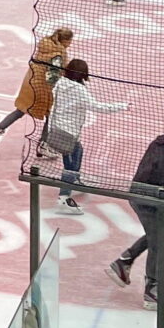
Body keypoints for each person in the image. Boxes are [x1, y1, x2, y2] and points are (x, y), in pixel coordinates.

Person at [107, 123, 164, 305]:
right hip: (145, 202)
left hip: (143, 196)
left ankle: (123, 263)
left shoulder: (159, 144)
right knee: (157, 242)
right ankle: (151, 291)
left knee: (156, 234)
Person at [47, 57, 127, 213]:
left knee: (78, 151)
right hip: (69, 132)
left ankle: (74, 181)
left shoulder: (60, 83)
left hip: (58, 128)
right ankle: (63, 198)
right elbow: (97, 107)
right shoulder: (79, 91)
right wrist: (122, 106)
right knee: (70, 167)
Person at [0, 26, 72, 149]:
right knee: (51, 115)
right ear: (65, 41)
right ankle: (43, 146)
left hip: (30, 83)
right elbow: (52, 77)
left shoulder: (46, 47)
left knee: (20, 110)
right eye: (69, 42)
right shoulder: (57, 55)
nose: (70, 44)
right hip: (42, 88)